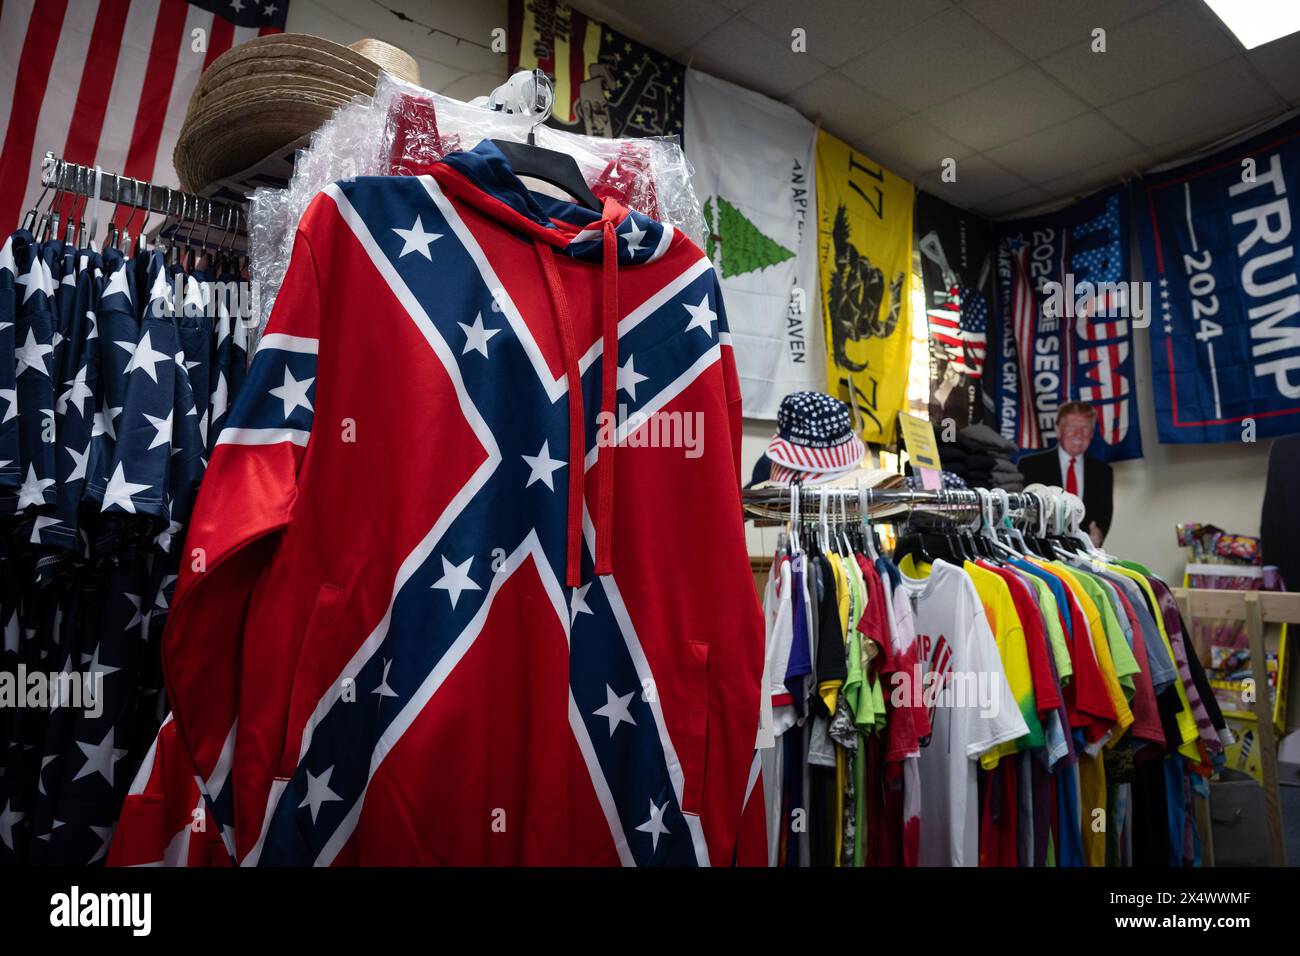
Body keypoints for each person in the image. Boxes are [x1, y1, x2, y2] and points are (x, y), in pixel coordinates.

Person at [1018, 401, 1113, 546]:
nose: (1078, 434)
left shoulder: (1103, 472)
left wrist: (1098, 536)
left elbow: (1104, 516)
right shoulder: (1030, 466)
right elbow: (1023, 514)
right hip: (1041, 552)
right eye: (1072, 427)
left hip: (1085, 553)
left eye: (1085, 428)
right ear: (1058, 430)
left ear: (1092, 434)